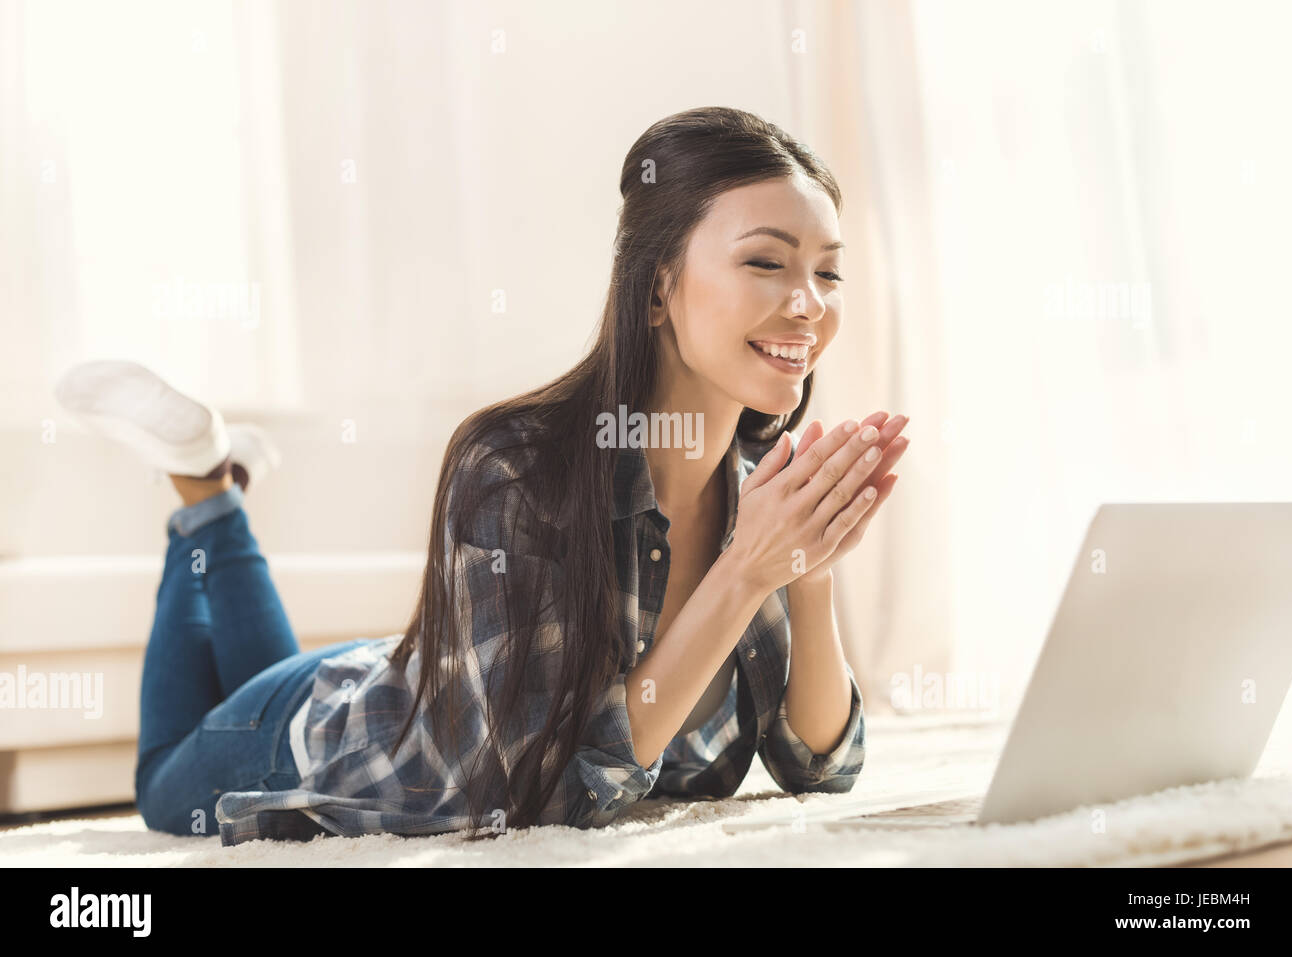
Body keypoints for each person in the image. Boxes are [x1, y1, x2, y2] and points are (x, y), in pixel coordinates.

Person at [55, 106, 910, 846]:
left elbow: (818, 765)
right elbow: (535, 797)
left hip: (426, 669)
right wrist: (747, 570)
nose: (809, 302)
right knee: (166, 782)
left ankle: (217, 479)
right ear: (658, 288)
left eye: (828, 270)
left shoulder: (763, 486)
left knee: (248, 675)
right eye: (767, 262)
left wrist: (811, 567)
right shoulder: (513, 465)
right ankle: (205, 490)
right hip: (334, 731)